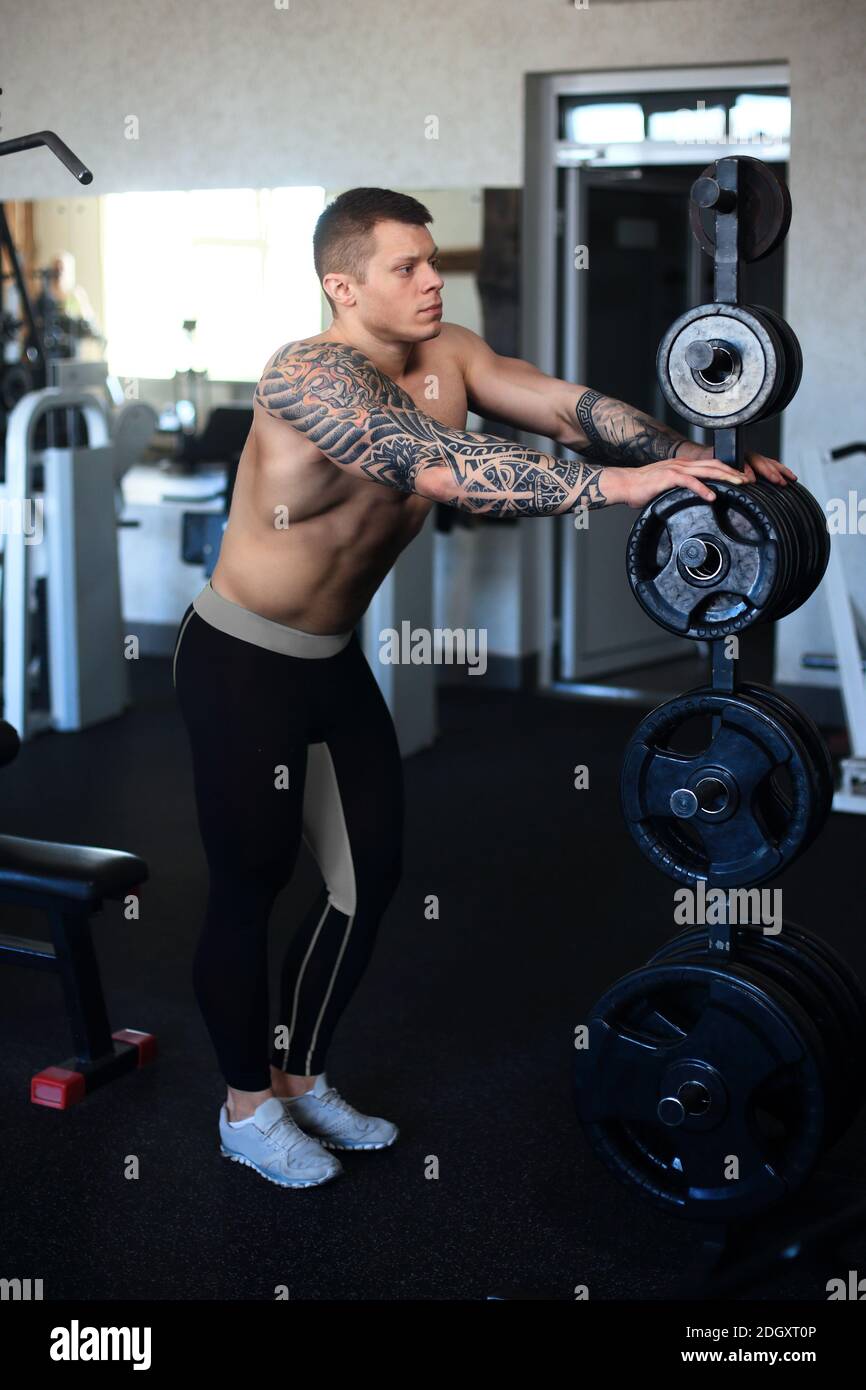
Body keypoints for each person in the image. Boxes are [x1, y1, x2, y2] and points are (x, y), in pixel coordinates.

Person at [171, 187, 794, 1190]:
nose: (431, 279)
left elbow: (556, 404)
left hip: (330, 660)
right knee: (250, 883)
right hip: (241, 658)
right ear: (342, 284)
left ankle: (299, 1076)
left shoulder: (449, 352)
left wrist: (690, 462)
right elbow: (435, 465)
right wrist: (611, 488)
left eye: (432, 261)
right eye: (405, 267)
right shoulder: (305, 377)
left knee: (365, 881)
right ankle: (244, 1106)